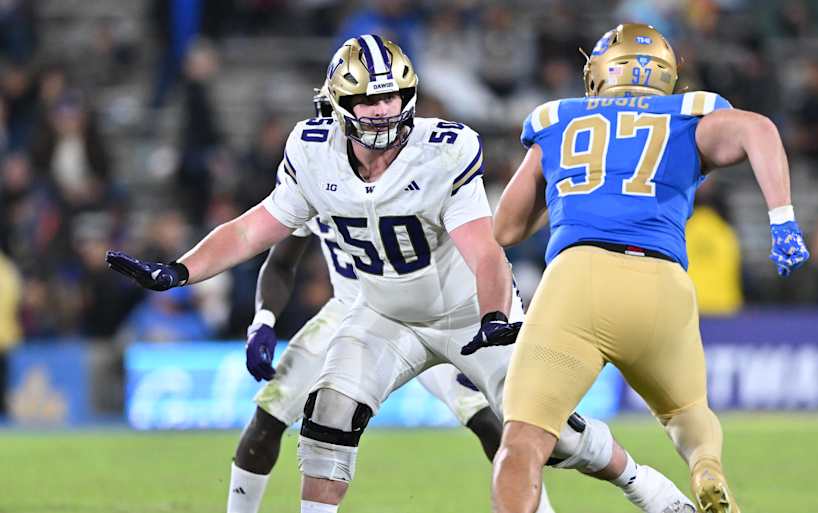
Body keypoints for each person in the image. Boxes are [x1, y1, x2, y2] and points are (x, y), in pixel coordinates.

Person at [107, 34, 693, 513]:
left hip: (466, 313)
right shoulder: (312, 150)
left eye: (392, 98)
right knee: (327, 413)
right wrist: (182, 270)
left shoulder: (444, 148)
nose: (383, 111)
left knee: (550, 434)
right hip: (381, 311)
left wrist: (494, 314)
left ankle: (642, 484)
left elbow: (484, 249)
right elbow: (256, 229)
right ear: (339, 105)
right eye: (369, 101)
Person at [486, 24, 810, 513]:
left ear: (597, 75)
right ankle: (706, 467)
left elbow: (505, 228)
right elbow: (758, 128)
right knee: (689, 416)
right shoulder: (688, 113)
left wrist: (569, 184)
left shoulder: (559, 118)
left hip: (578, 280)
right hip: (661, 284)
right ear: (667, 76)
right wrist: (782, 219)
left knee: (524, 439)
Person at [227, 212, 554, 513]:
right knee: (270, 414)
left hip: (427, 313)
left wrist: (480, 324)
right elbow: (281, 261)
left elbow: (476, 249)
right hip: (348, 309)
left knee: (491, 422)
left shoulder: (411, 173)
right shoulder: (314, 172)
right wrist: (264, 319)